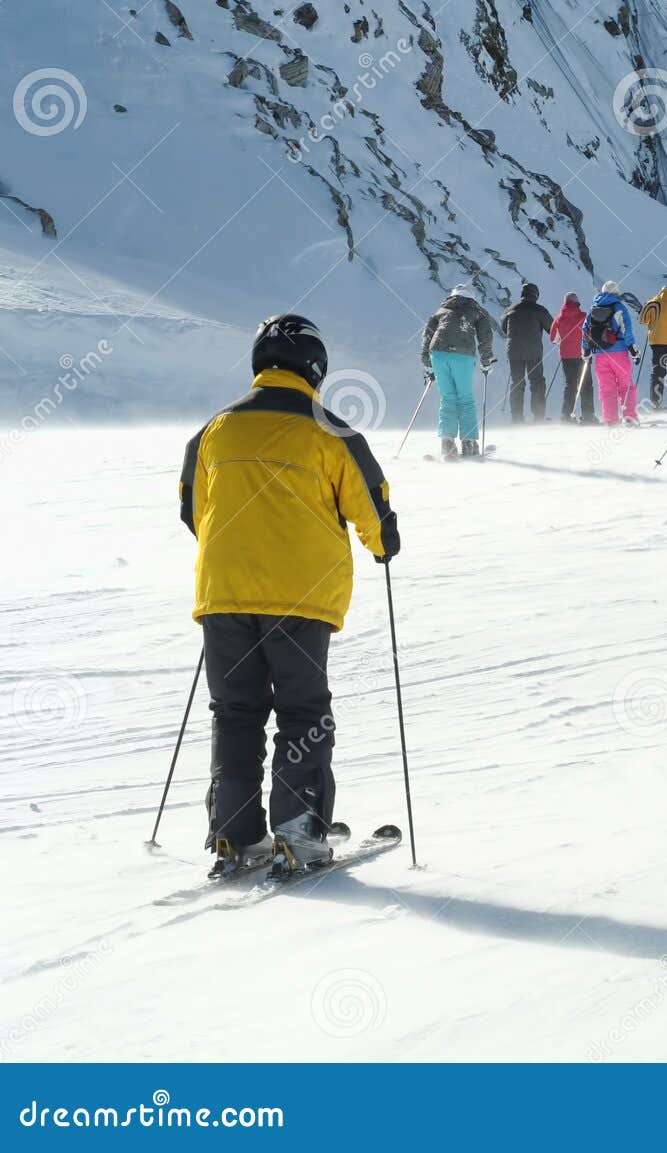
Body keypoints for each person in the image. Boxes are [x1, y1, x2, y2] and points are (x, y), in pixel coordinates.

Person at [179, 315, 400, 877]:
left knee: (235, 710)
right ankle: (299, 833)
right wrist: (383, 542)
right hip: (300, 599)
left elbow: (192, 508)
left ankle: (233, 832)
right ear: (316, 367)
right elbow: (370, 506)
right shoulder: (331, 430)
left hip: (223, 596)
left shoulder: (214, 429)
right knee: (303, 713)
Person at [422, 284, 496, 459]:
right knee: (465, 398)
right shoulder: (476, 310)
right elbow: (485, 335)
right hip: (462, 354)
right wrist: (486, 360)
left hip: (438, 353)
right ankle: (469, 443)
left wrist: (427, 362)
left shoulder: (442, 310)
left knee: (448, 398)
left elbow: (427, 334)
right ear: (472, 297)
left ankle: (447, 443)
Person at [583, 280, 640, 427]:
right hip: (619, 353)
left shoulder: (593, 309)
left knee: (606, 389)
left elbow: (585, 330)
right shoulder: (619, 307)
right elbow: (627, 330)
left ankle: (610, 420)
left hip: (600, 355)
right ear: (616, 293)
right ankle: (630, 418)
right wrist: (633, 349)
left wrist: (586, 349)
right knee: (626, 386)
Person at [500, 283, 554, 423]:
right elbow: (552, 329)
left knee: (517, 382)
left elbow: (504, 329)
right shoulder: (540, 310)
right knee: (537, 382)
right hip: (533, 352)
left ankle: (516, 418)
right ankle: (538, 417)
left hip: (514, 352)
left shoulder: (509, 310)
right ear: (535, 295)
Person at [550, 291, 595, 423]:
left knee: (570, 385)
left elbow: (553, 338)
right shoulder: (584, 316)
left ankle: (566, 415)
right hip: (583, 355)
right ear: (577, 303)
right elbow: (590, 335)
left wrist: (562, 343)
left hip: (566, 356)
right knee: (586, 384)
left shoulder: (559, 318)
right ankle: (588, 415)